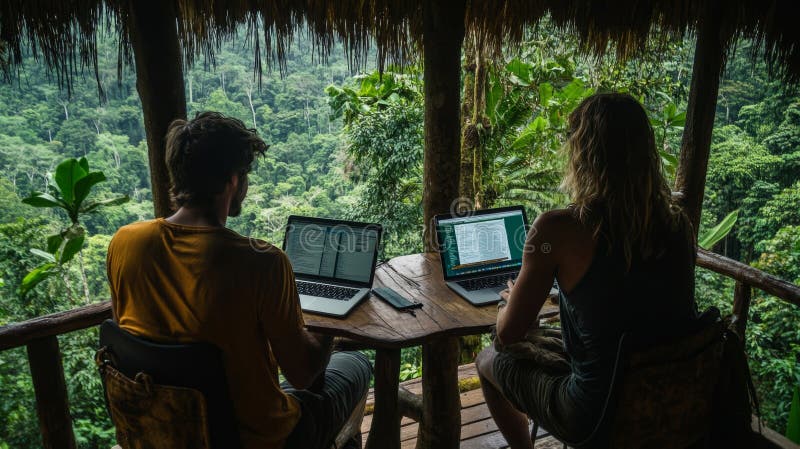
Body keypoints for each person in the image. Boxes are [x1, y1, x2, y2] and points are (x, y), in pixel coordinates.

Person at [107, 111, 372, 449]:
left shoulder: (125, 243)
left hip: (168, 429)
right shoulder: (262, 262)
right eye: (245, 174)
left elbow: (129, 331)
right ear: (233, 180)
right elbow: (302, 374)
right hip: (261, 439)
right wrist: (329, 320)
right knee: (356, 365)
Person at [475, 93, 699, 448]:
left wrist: (508, 303)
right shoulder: (677, 224)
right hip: (675, 400)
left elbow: (508, 335)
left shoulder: (557, 229)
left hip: (594, 412)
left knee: (488, 359)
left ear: (584, 156)